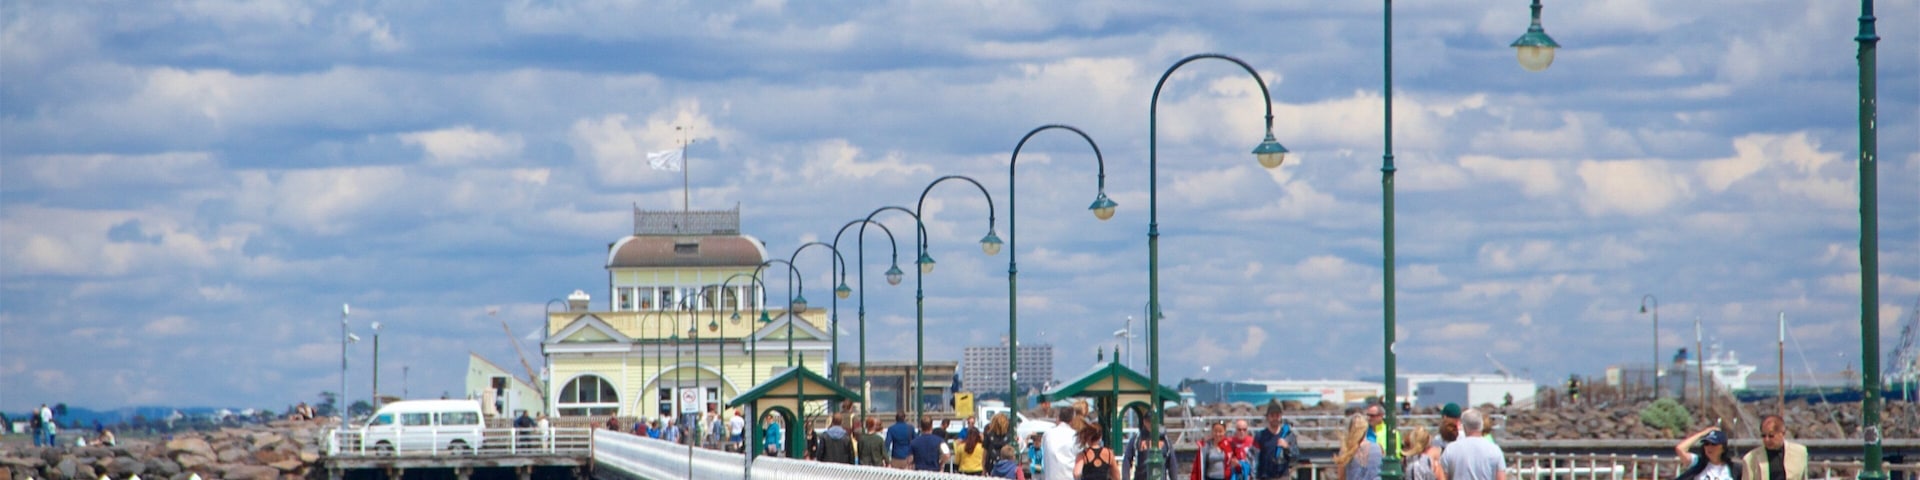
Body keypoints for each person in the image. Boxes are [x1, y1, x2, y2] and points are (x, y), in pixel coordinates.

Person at [1440, 409, 1506, 480]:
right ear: (1481, 425)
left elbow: (1443, 476)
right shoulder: (1494, 450)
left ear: (1464, 427)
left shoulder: (1451, 449)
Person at [1743, 415, 1807, 480]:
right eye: (1763, 436)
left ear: (1782, 434)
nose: (1766, 439)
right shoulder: (1751, 458)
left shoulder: (1800, 452)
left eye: (1771, 436)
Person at [1253, 400, 1300, 480]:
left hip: (1283, 476)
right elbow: (1254, 459)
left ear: (1281, 417)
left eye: (1277, 415)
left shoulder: (1288, 435)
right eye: (1272, 415)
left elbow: (1295, 457)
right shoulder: (1260, 436)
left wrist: (1286, 447)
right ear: (1267, 417)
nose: (1275, 418)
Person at [1673, 427, 1742, 480]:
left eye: (1713, 444)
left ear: (1723, 448)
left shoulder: (1734, 469)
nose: (1709, 447)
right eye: (1706, 444)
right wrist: (1702, 434)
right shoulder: (1697, 463)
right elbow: (1680, 449)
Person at [1335, 415, 1381, 480]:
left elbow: (1341, 477)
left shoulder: (1346, 450)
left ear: (1350, 429)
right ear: (1366, 428)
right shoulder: (1379, 448)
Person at [1044, 407, 1081, 480]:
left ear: (1059, 418)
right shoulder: (1075, 436)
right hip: (1069, 477)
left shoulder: (1047, 434)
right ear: (1072, 420)